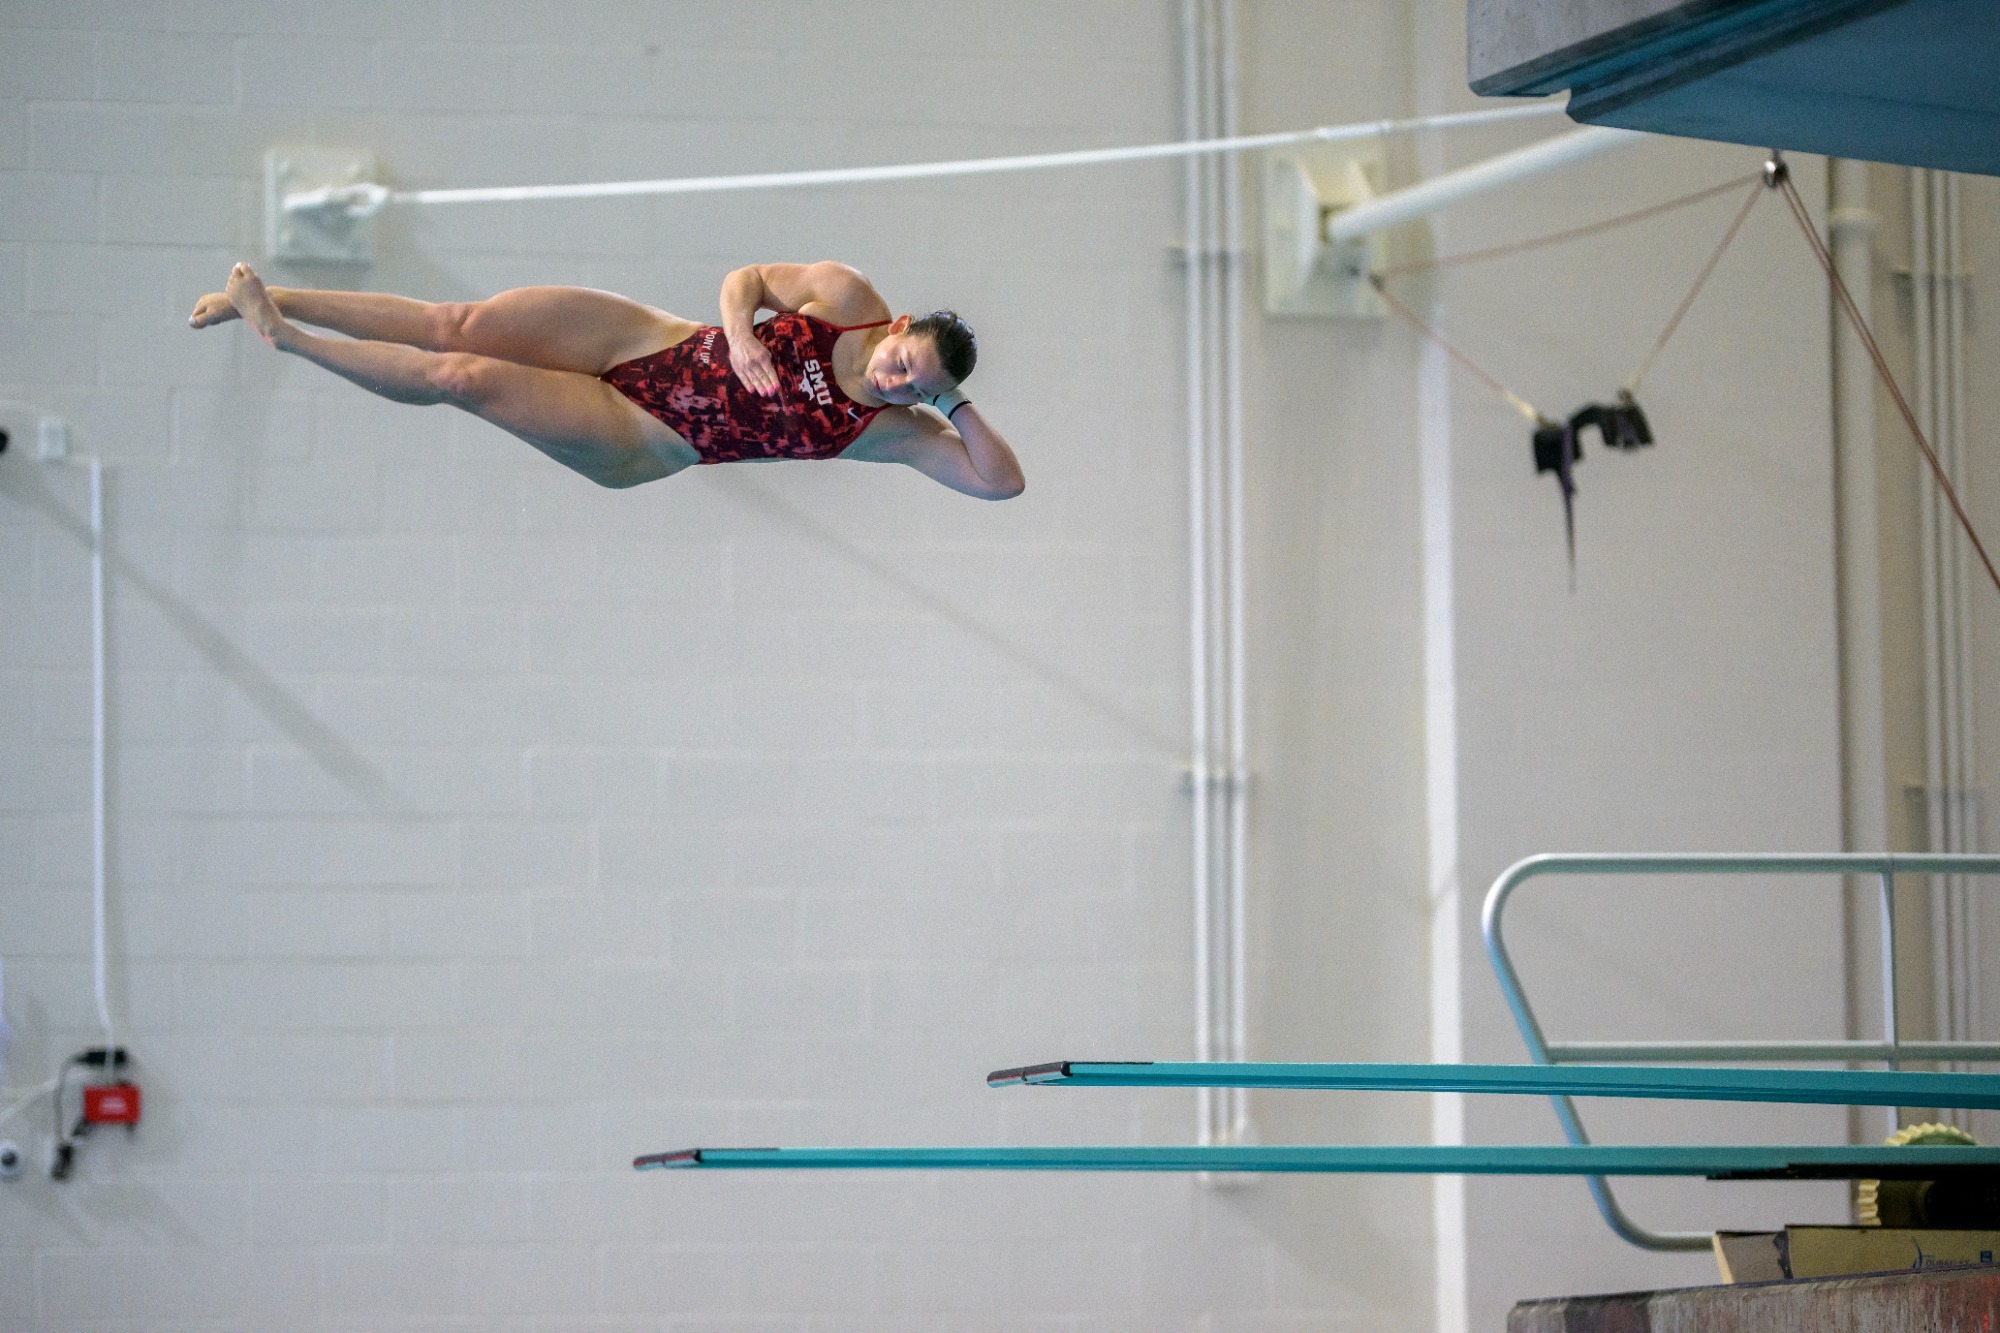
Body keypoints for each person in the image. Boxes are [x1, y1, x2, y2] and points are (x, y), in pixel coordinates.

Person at [189, 261, 1024, 499]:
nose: (894, 380)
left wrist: (951, 403)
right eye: (905, 361)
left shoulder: (890, 432)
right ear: (901, 326)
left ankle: (288, 338)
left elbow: (1000, 483)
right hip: (646, 338)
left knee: (461, 375)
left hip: (646, 435)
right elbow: (747, 279)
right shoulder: (846, 297)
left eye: (917, 387)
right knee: (461, 324)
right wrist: (738, 334)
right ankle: (266, 296)